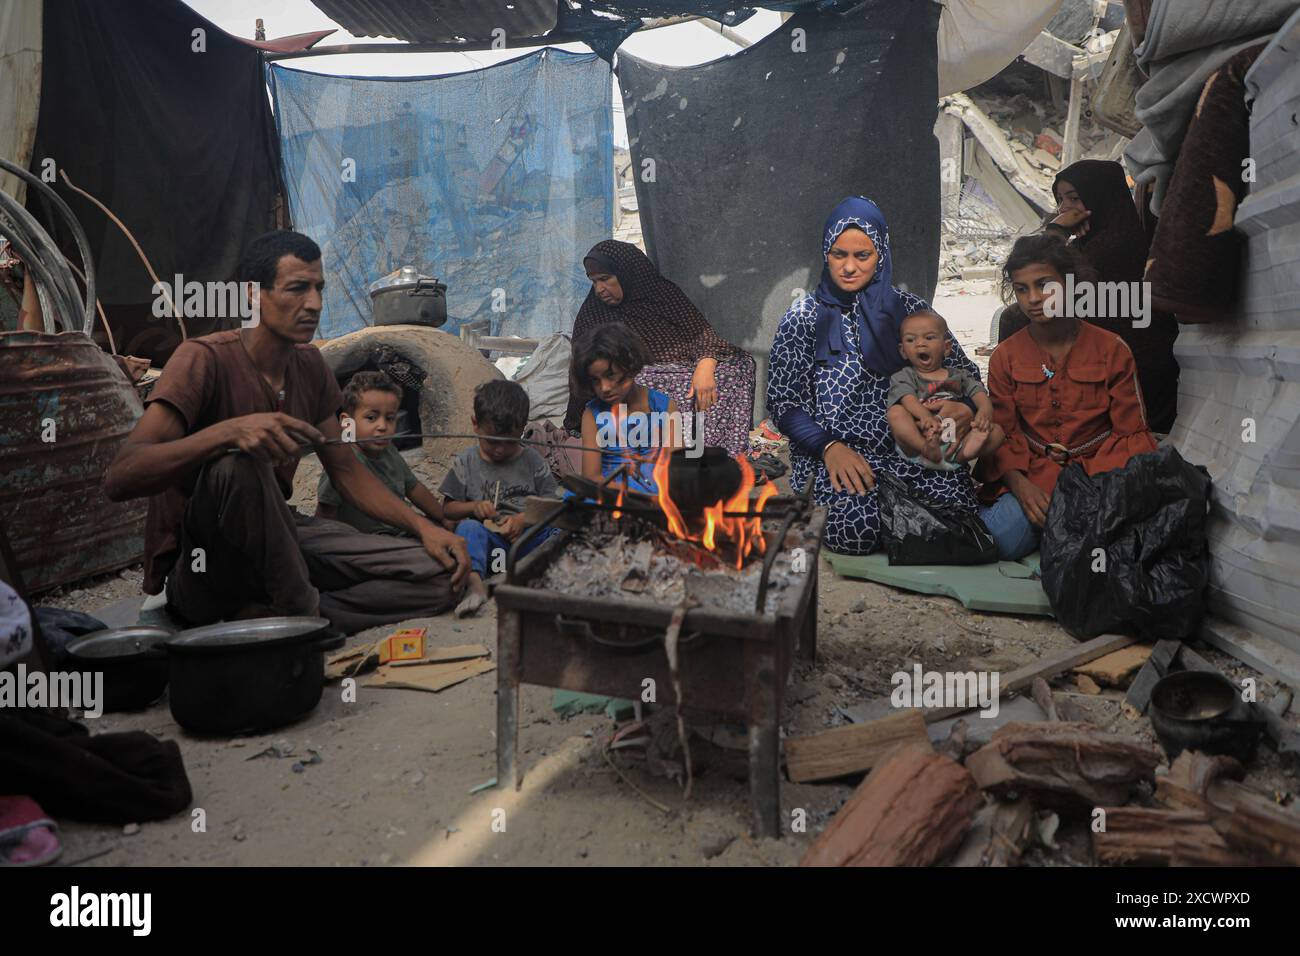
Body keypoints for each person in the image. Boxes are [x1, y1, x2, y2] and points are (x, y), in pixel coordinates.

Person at [103, 230, 469, 634]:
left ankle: (273, 620)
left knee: (440, 574)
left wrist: (425, 528)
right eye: (297, 289)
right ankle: (299, 617)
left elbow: (347, 471)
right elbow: (122, 476)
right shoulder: (203, 360)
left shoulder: (310, 366)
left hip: (281, 536)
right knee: (238, 465)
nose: (313, 304)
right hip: (204, 560)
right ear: (253, 295)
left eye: (318, 289)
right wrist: (228, 433)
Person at [767, 196, 979, 555]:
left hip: (913, 452)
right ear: (825, 253)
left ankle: (898, 522)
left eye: (862, 256)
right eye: (838, 255)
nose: (849, 267)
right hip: (838, 454)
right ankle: (889, 522)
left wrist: (965, 409)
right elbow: (784, 402)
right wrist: (829, 448)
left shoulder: (911, 312)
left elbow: (967, 376)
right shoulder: (803, 318)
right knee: (856, 533)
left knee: (960, 514)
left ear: (880, 253)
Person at [978, 234, 1158, 560]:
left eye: (1044, 284)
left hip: (1098, 476)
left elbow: (1130, 435)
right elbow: (1003, 436)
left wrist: (1091, 495)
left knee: (1112, 540)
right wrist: (1020, 487)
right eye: (1022, 289)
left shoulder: (1112, 349)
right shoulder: (1005, 357)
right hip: (1033, 476)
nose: (1034, 298)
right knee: (1004, 538)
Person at [998, 159, 1180, 434]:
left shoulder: (1117, 245)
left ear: (1100, 197)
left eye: (1074, 198)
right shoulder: (1096, 239)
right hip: (1105, 354)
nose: (1066, 208)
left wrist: (1057, 232)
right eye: (1060, 200)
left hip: (1138, 372)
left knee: (1015, 320)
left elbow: (1041, 273)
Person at [565, 239, 754, 456]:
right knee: (639, 381)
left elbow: (702, 333)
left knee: (739, 366)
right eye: (594, 281)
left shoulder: (662, 294)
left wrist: (705, 366)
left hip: (687, 370)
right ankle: (676, 455)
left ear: (627, 273)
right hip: (643, 379)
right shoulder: (593, 315)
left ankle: (721, 454)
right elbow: (585, 371)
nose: (599, 289)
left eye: (605, 279)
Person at [440, 380, 560, 618]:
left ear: (522, 429)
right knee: (468, 528)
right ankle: (475, 587)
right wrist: (473, 507)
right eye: (492, 441)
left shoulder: (532, 461)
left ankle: (542, 578)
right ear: (475, 424)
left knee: (558, 532)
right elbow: (448, 510)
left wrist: (524, 519)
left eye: (508, 443)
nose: (499, 451)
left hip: (526, 541)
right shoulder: (466, 462)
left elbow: (552, 506)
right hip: (491, 542)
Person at [315, 371, 446, 534]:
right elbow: (326, 512)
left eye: (390, 418)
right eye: (371, 418)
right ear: (347, 422)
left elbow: (414, 488)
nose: (382, 426)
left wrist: (444, 518)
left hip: (400, 533)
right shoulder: (343, 460)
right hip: (366, 542)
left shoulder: (390, 452)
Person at [887, 309, 1004, 468]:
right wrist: (925, 416)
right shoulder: (905, 376)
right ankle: (926, 448)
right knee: (896, 413)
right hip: (921, 438)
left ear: (946, 347)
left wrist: (985, 411)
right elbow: (907, 398)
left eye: (929, 338)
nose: (920, 343)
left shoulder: (959, 375)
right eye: (910, 340)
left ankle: (963, 455)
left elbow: (979, 393)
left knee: (997, 432)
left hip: (955, 437)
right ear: (903, 351)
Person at [574, 323, 680, 496]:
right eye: (595, 380)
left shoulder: (665, 407)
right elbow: (592, 478)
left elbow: (677, 469)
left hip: (660, 492)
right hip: (610, 494)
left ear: (630, 366)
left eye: (610, 375)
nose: (605, 388)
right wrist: (630, 495)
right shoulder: (592, 415)